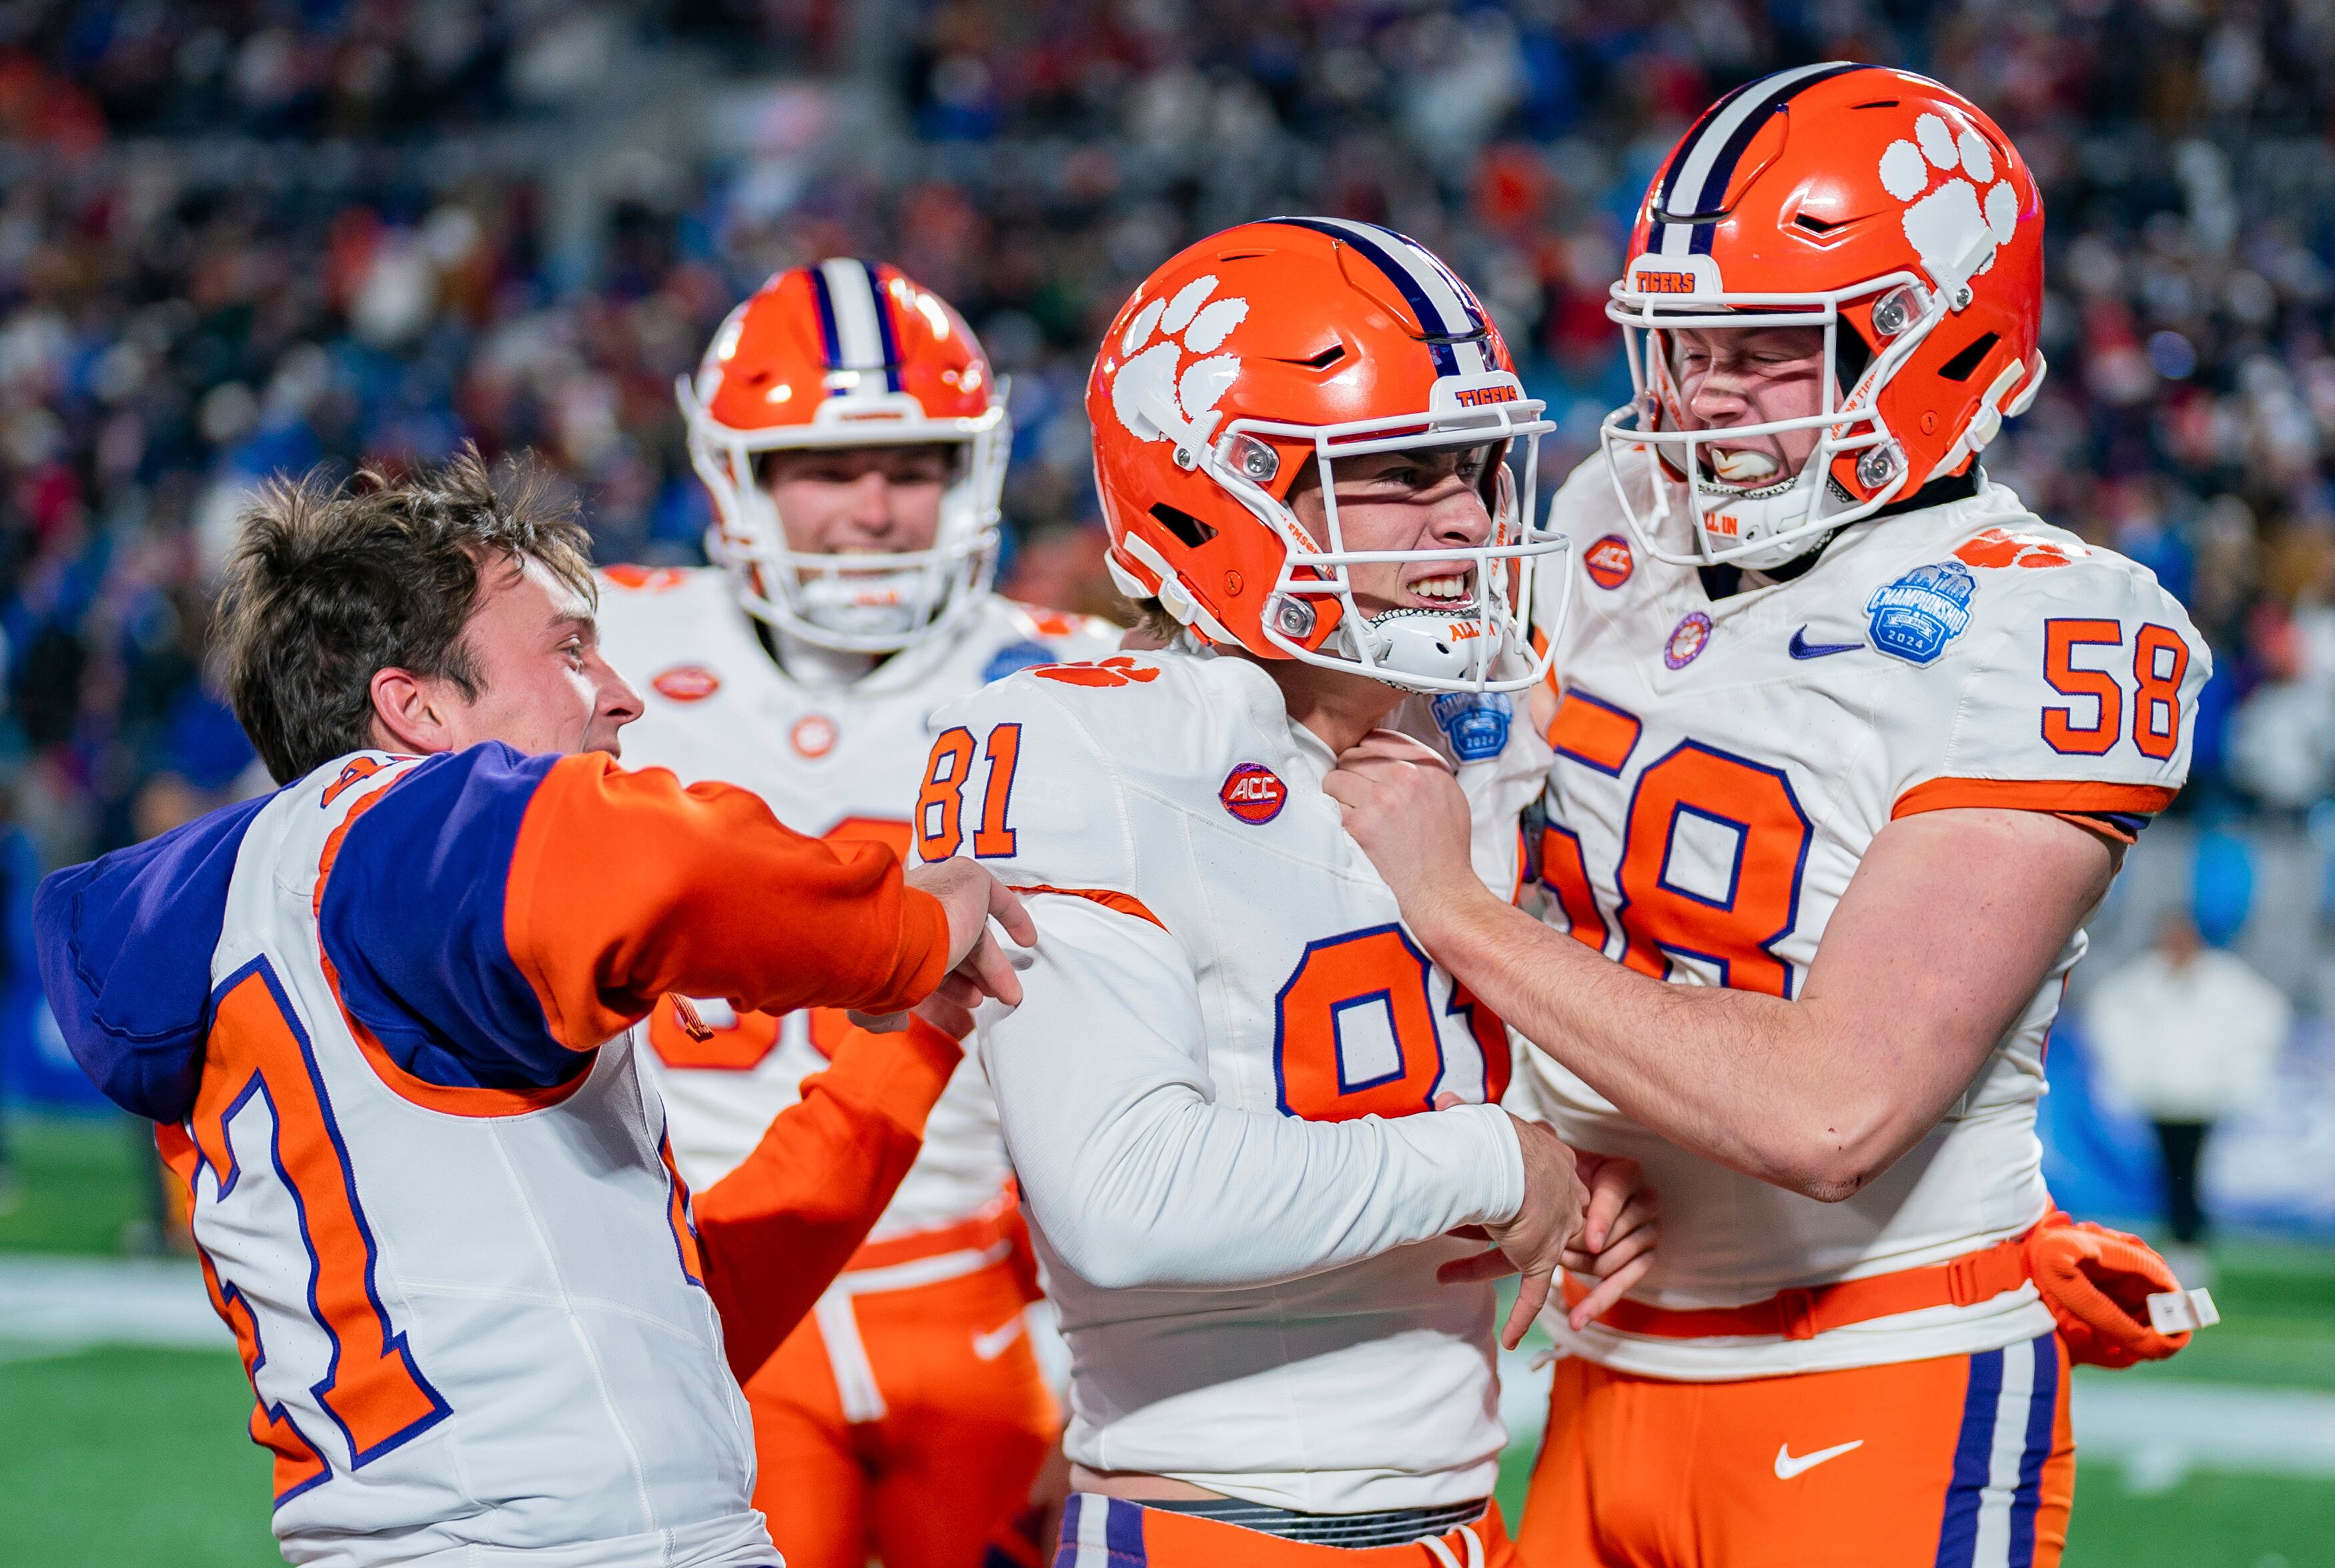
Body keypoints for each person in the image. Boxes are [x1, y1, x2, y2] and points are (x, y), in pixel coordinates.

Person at [1322, 67, 2211, 1568]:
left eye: (1764, 347)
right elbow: (1536, 869)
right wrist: (1542, 1121)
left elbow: (1826, 1112)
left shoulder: (2054, 621)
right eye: (1679, 341)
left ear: (1932, 337)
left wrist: (1453, 914)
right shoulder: (1607, 513)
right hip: (1603, 1364)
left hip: (1874, 1370)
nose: (1694, 394)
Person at [31, 448, 1031, 1568]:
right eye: (570, 648)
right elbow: (661, 864)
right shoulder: (394, 835)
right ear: (412, 710)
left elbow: (680, 1327)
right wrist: (908, 924)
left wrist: (913, 1048)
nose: (622, 691)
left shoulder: (269, 920)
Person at [926, 219, 1658, 1568]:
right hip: (1223, 1518)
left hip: (1453, 1504)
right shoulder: (1096, 740)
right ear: (1216, 495)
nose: (1464, 517)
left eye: (1473, 466)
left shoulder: (1461, 734)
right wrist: (1497, 1159)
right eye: (1392, 471)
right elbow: (1125, 1194)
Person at [597, 258, 1117, 1568]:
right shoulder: (597, 652)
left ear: (973, 470)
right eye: (825, 470)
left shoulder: (1067, 675)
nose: (874, 511)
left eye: (913, 466)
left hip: (976, 1294)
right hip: (710, 1278)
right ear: (739, 478)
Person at [2082, 908, 2289, 1265]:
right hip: (2162, 1096)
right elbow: (2106, 1013)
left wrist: (2234, 1072)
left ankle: (2189, 1246)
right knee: (2172, 1173)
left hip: (2201, 1098)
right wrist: (2133, 1073)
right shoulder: (2143, 979)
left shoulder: (2224, 980)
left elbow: (2268, 1016)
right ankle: (2183, 1244)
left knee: (2188, 1173)